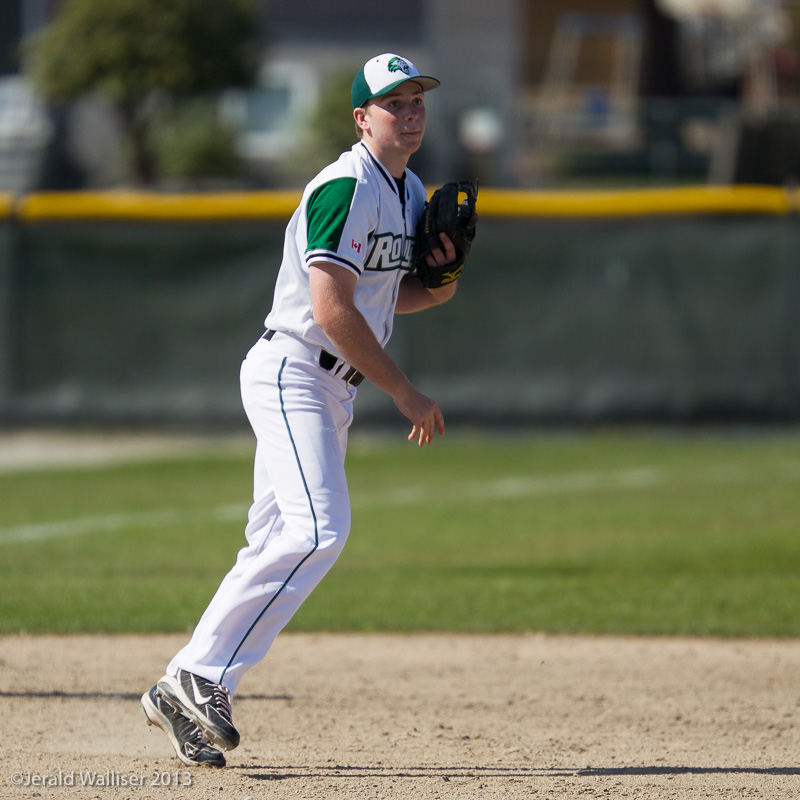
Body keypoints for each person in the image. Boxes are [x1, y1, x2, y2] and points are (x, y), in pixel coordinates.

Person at [141, 53, 460, 767]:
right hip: (294, 373)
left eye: (417, 102)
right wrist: (404, 390)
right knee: (321, 529)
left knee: (275, 539)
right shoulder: (343, 188)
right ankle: (202, 675)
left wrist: (438, 285)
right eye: (393, 103)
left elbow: (383, 295)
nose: (409, 114)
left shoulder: (408, 194)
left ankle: (183, 686)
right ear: (361, 117)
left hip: (330, 389)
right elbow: (331, 309)